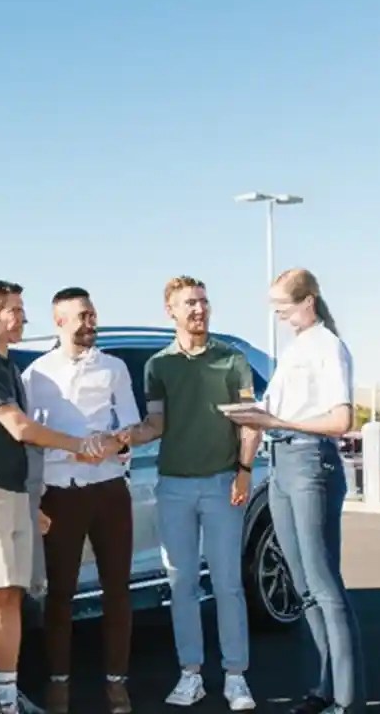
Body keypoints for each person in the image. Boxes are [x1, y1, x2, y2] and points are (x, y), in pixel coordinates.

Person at [0, 279, 119, 714]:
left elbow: (23, 444)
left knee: (11, 595)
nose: (23, 317)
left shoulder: (7, 365)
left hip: (12, 492)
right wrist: (77, 444)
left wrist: (30, 501)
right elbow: (21, 428)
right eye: (15, 310)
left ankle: (7, 695)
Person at [224, 268, 367, 714]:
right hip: (282, 463)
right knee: (302, 587)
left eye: (283, 307)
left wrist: (278, 423)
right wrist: (253, 419)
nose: (280, 316)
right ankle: (321, 691)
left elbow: (341, 421)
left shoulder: (329, 348)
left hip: (311, 462)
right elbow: (276, 409)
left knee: (325, 586)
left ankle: (348, 700)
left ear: (306, 301)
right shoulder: (294, 349)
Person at [120, 275, 260, 710]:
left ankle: (236, 677)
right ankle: (190, 674)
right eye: (189, 303)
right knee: (180, 584)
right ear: (172, 312)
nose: (199, 309)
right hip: (173, 488)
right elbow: (156, 424)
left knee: (227, 584)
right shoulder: (158, 366)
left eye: (203, 301)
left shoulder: (231, 360)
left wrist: (244, 470)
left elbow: (250, 420)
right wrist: (118, 438)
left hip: (223, 485)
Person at [20, 287, 139, 714]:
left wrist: (113, 444)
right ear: (60, 322)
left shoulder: (115, 369)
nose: (91, 322)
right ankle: (58, 684)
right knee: (60, 593)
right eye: (82, 316)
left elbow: (130, 427)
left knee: (116, 590)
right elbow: (28, 438)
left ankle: (116, 683)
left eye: (93, 314)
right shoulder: (36, 375)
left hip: (109, 490)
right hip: (59, 495)